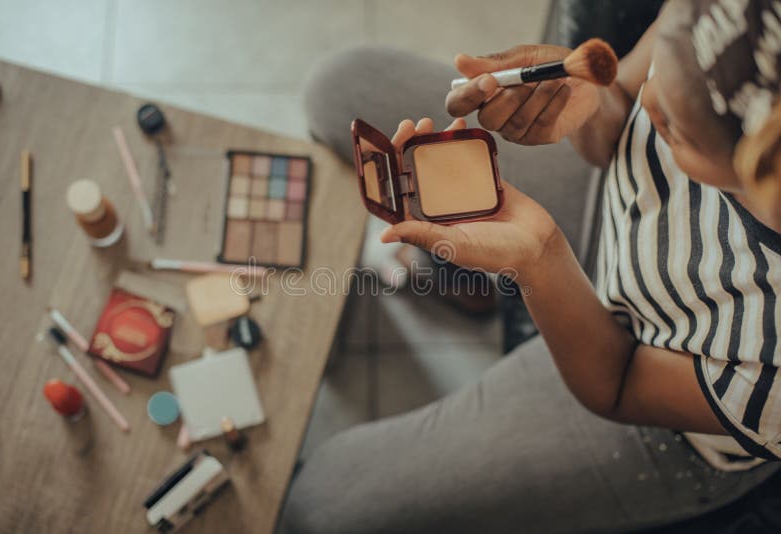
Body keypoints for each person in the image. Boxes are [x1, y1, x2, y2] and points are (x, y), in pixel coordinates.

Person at [285, 1, 781, 532]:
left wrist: (539, 260)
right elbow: (618, 111)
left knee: (321, 504)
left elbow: (616, 383)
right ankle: (468, 284)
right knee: (337, 86)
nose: (650, 102)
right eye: (663, 65)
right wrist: (589, 103)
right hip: (612, 199)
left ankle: (481, 280)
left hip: (653, 400)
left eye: (675, 130)